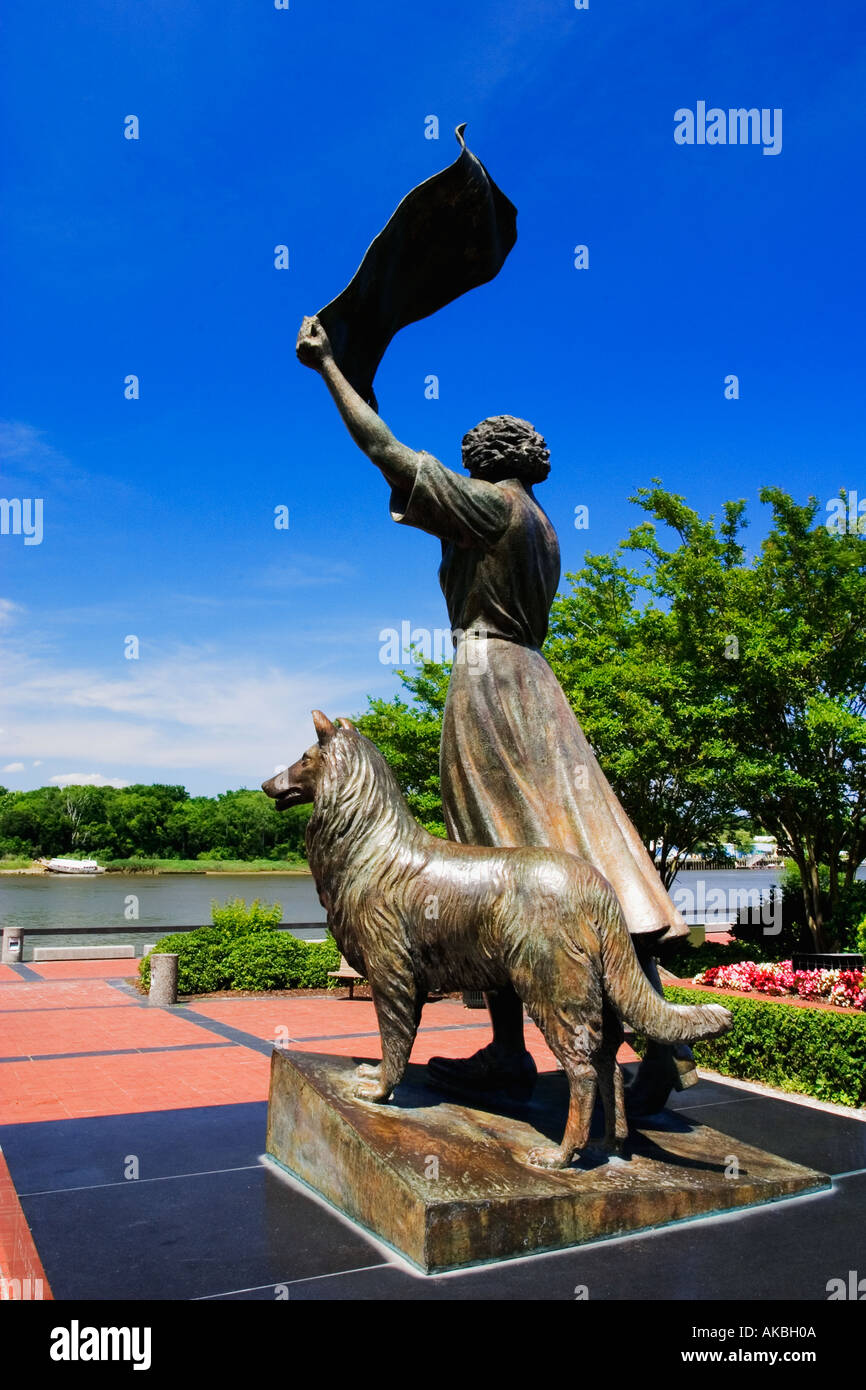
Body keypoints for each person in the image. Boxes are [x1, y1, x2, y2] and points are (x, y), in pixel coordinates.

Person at [296, 314, 695, 1112]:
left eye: (470, 447)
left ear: (487, 458)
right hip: (535, 687)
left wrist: (328, 370)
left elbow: (391, 455)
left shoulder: (491, 509)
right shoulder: (543, 525)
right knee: (564, 851)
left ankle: (594, 1044)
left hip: (490, 690)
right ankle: (593, 1045)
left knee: (498, 858)